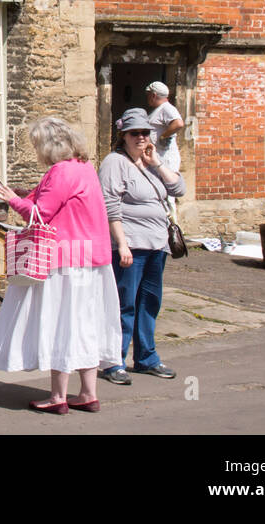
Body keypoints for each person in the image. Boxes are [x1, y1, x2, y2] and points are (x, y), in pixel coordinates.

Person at [0, 117, 120, 414]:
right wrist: (25, 195)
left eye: (37, 145)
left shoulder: (60, 172)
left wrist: (12, 200)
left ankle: (58, 397)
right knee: (85, 325)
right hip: (92, 258)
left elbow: (41, 214)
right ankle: (88, 393)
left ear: (48, 146)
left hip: (65, 261)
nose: (36, 151)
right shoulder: (84, 169)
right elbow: (53, 200)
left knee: (61, 324)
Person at [98, 108, 186, 385]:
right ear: (123, 136)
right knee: (124, 304)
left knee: (150, 302)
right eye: (134, 133)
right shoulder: (114, 163)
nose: (140, 138)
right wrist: (121, 244)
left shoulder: (150, 164)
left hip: (157, 245)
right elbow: (110, 205)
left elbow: (179, 189)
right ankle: (114, 360)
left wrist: (157, 162)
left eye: (145, 133)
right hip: (130, 245)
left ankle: (147, 357)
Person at [145, 82, 184, 174]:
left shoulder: (166, 108)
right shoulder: (159, 108)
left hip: (165, 157)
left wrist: (163, 136)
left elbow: (178, 123)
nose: (147, 98)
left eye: (148, 95)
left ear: (153, 95)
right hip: (158, 156)